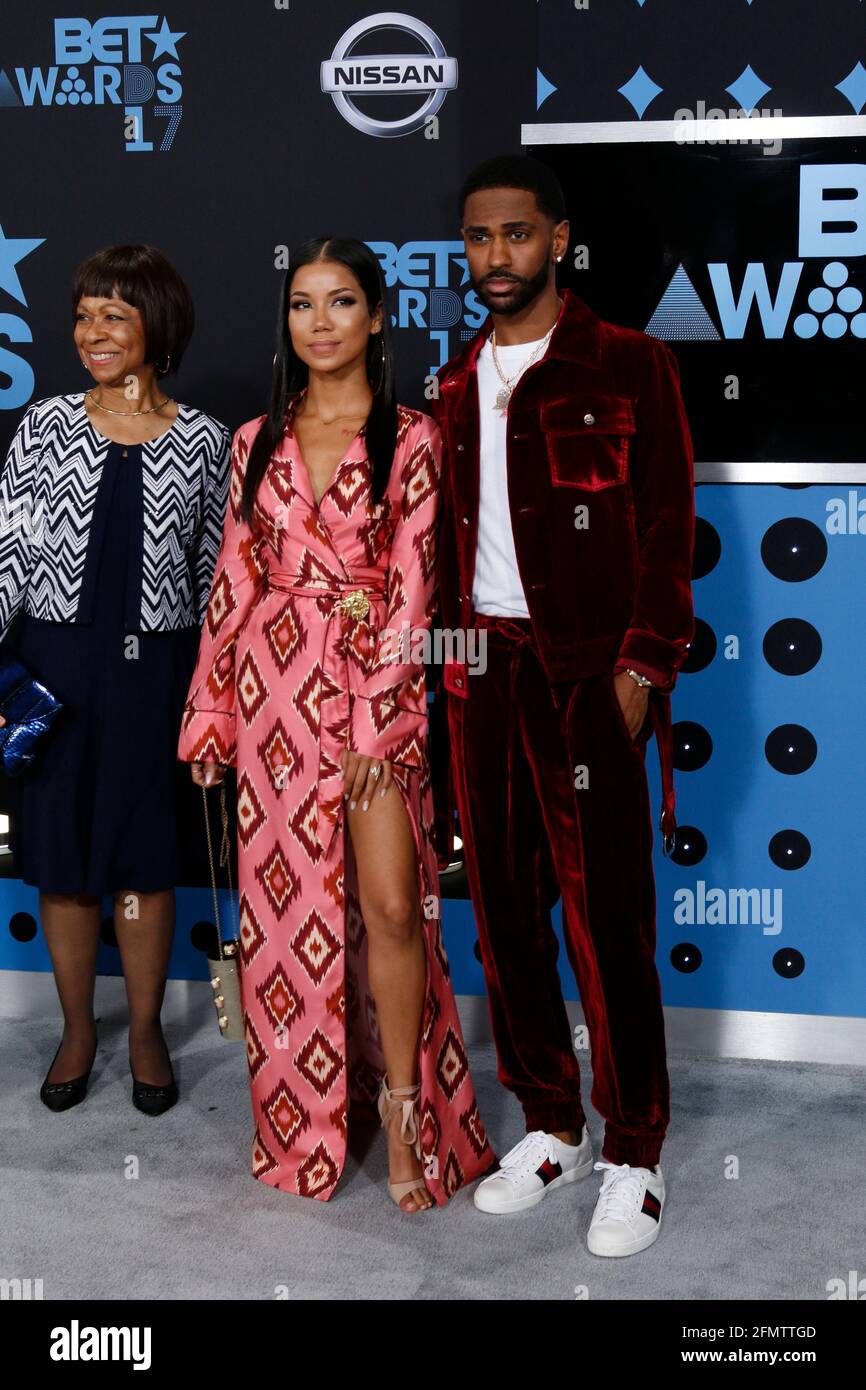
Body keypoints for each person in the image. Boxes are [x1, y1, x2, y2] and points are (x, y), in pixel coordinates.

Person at [177, 237, 494, 1212]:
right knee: (287, 915)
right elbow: (233, 581)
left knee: (394, 908)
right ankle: (303, 1123)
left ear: (375, 318)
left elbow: (414, 590)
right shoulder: (252, 442)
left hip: (373, 698)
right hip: (271, 694)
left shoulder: (412, 437)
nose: (319, 322)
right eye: (302, 303)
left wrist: (372, 720)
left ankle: (404, 1119)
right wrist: (209, 711)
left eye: (340, 301)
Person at [430, 155, 695, 1255]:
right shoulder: (451, 383)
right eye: (479, 238)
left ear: (559, 240)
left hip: (586, 677)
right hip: (478, 676)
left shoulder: (630, 363)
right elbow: (444, 553)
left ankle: (632, 1150)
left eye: (516, 235)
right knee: (500, 915)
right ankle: (548, 1124)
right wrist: (444, 667)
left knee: (607, 923)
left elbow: (668, 527)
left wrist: (640, 668)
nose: (496, 257)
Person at [0, 244, 231, 1116]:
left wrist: (216, 693)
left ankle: (142, 1030)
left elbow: (216, 579)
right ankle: (75, 1027)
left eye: (115, 316)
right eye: (85, 314)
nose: (93, 332)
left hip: (155, 674)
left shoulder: (206, 440)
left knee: (141, 859)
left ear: (155, 328)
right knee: (60, 859)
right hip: (53, 668)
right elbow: (9, 552)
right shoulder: (44, 426)